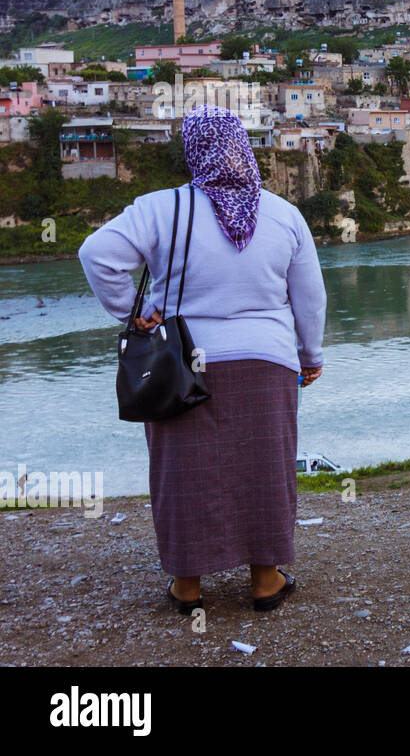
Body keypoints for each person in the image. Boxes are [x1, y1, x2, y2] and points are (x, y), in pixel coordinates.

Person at [79, 105, 326, 614]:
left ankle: (187, 587)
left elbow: (96, 255)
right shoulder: (284, 214)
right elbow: (309, 297)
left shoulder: (158, 208)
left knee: (182, 470)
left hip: (180, 362)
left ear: (192, 150)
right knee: (266, 468)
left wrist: (133, 314)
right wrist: (310, 354)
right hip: (267, 360)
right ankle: (265, 581)